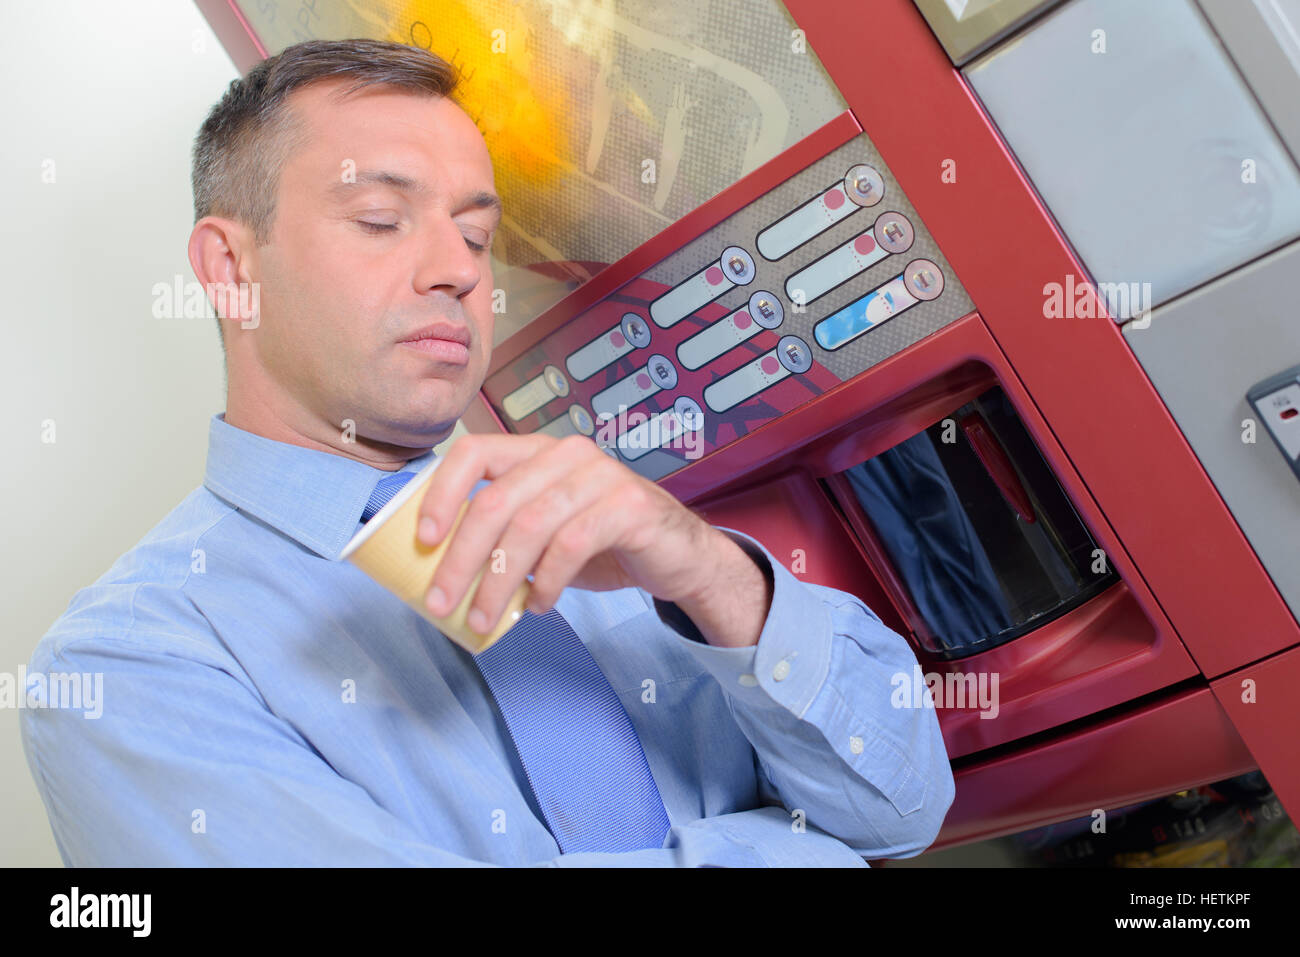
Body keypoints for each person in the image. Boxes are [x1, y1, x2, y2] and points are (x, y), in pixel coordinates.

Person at [20, 38, 954, 867]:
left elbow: (902, 810)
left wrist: (714, 577)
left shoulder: (602, 534)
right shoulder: (126, 671)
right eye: (382, 220)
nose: (460, 269)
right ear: (232, 270)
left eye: (475, 233)